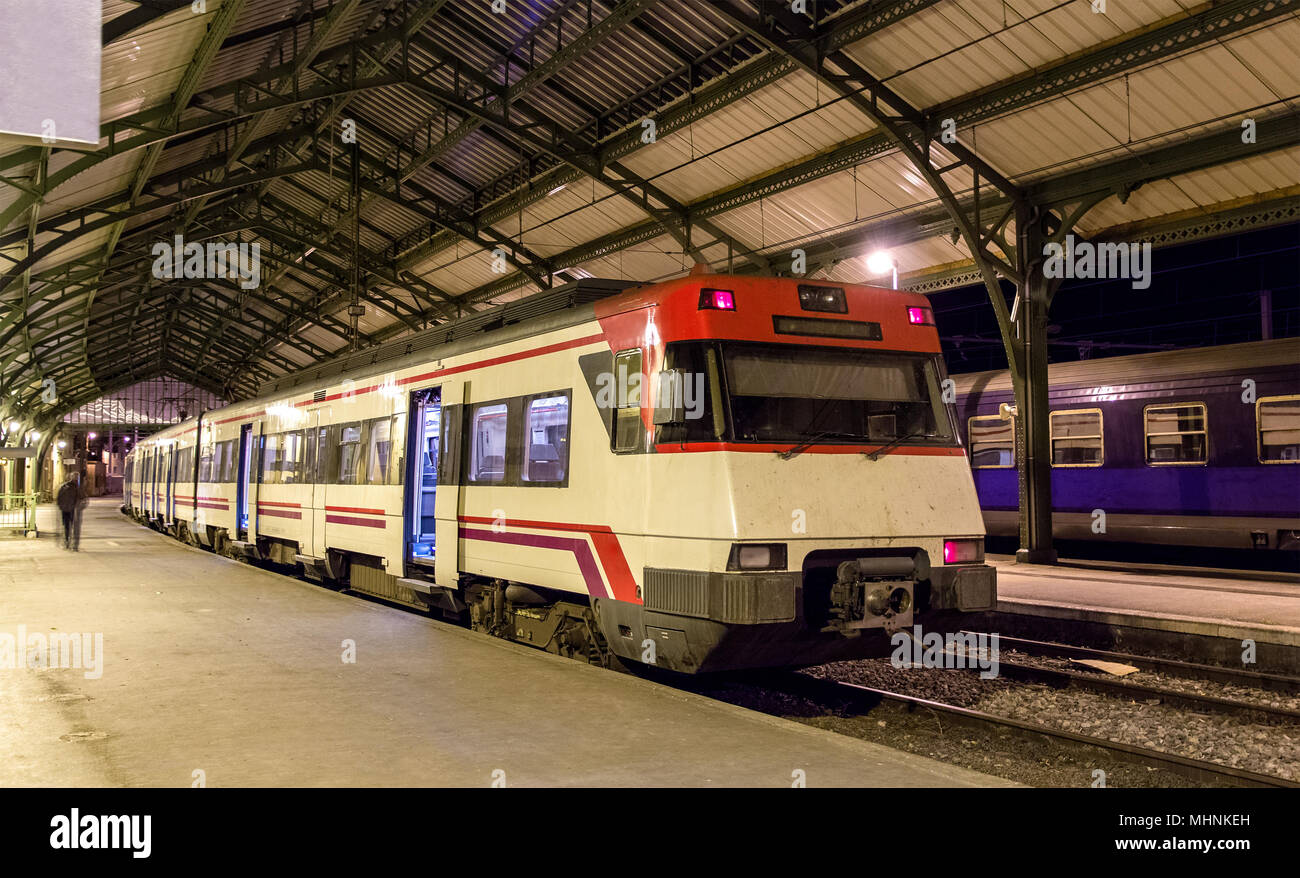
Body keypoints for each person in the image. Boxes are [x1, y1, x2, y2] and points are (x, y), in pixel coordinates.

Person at [55, 473, 88, 551]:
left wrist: (61, 506)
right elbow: (83, 498)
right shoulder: (75, 487)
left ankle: (68, 542)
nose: (76, 479)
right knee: (72, 527)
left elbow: (59, 498)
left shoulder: (65, 487)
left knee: (68, 527)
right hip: (71, 510)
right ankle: (71, 544)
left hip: (68, 509)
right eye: (76, 478)